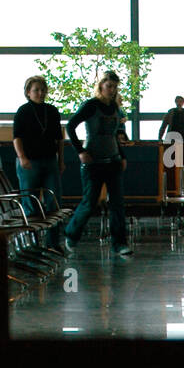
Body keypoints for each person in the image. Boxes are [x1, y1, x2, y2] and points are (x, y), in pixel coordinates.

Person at [63, 70, 132, 257]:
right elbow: (70, 126)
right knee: (90, 202)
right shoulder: (91, 106)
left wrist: (122, 155)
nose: (112, 90)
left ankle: (119, 243)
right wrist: (80, 151)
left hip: (113, 161)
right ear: (101, 86)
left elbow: (116, 134)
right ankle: (71, 234)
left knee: (117, 203)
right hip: (93, 163)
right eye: (109, 86)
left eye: (115, 87)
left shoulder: (116, 108)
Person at [12, 76, 64, 240]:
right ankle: (32, 242)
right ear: (28, 92)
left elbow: (59, 139)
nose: (40, 93)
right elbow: (17, 138)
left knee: (54, 202)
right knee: (30, 203)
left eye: (42, 90)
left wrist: (61, 160)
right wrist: (22, 157)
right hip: (29, 162)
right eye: (36, 90)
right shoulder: (23, 111)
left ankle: (52, 242)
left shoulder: (52, 111)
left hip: (49, 160)